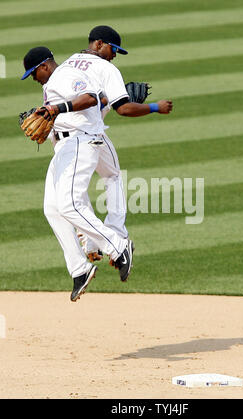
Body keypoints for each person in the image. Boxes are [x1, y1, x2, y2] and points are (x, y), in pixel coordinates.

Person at [21, 46, 134, 302]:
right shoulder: (50, 84)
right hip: (63, 146)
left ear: (45, 66)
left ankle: (118, 246)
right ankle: (79, 269)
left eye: (34, 72)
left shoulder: (65, 74)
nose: (34, 78)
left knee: (70, 205)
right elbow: (59, 117)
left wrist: (55, 109)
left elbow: (90, 98)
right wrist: (47, 119)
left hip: (81, 143)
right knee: (52, 208)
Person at [60, 25, 173, 265]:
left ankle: (91, 241)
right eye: (113, 49)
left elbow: (80, 98)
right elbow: (123, 108)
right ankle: (116, 237)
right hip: (90, 137)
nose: (114, 55)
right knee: (110, 179)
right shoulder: (106, 68)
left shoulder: (69, 62)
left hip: (61, 138)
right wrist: (155, 107)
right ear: (99, 43)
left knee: (74, 197)